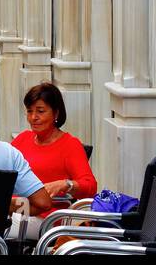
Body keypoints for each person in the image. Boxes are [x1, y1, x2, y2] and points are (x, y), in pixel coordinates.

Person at [10, 82, 97, 211]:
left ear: (56, 113)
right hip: (13, 209)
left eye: (40, 111)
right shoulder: (23, 138)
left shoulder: (70, 145)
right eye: (29, 111)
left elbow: (90, 186)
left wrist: (66, 184)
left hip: (45, 216)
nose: (33, 117)